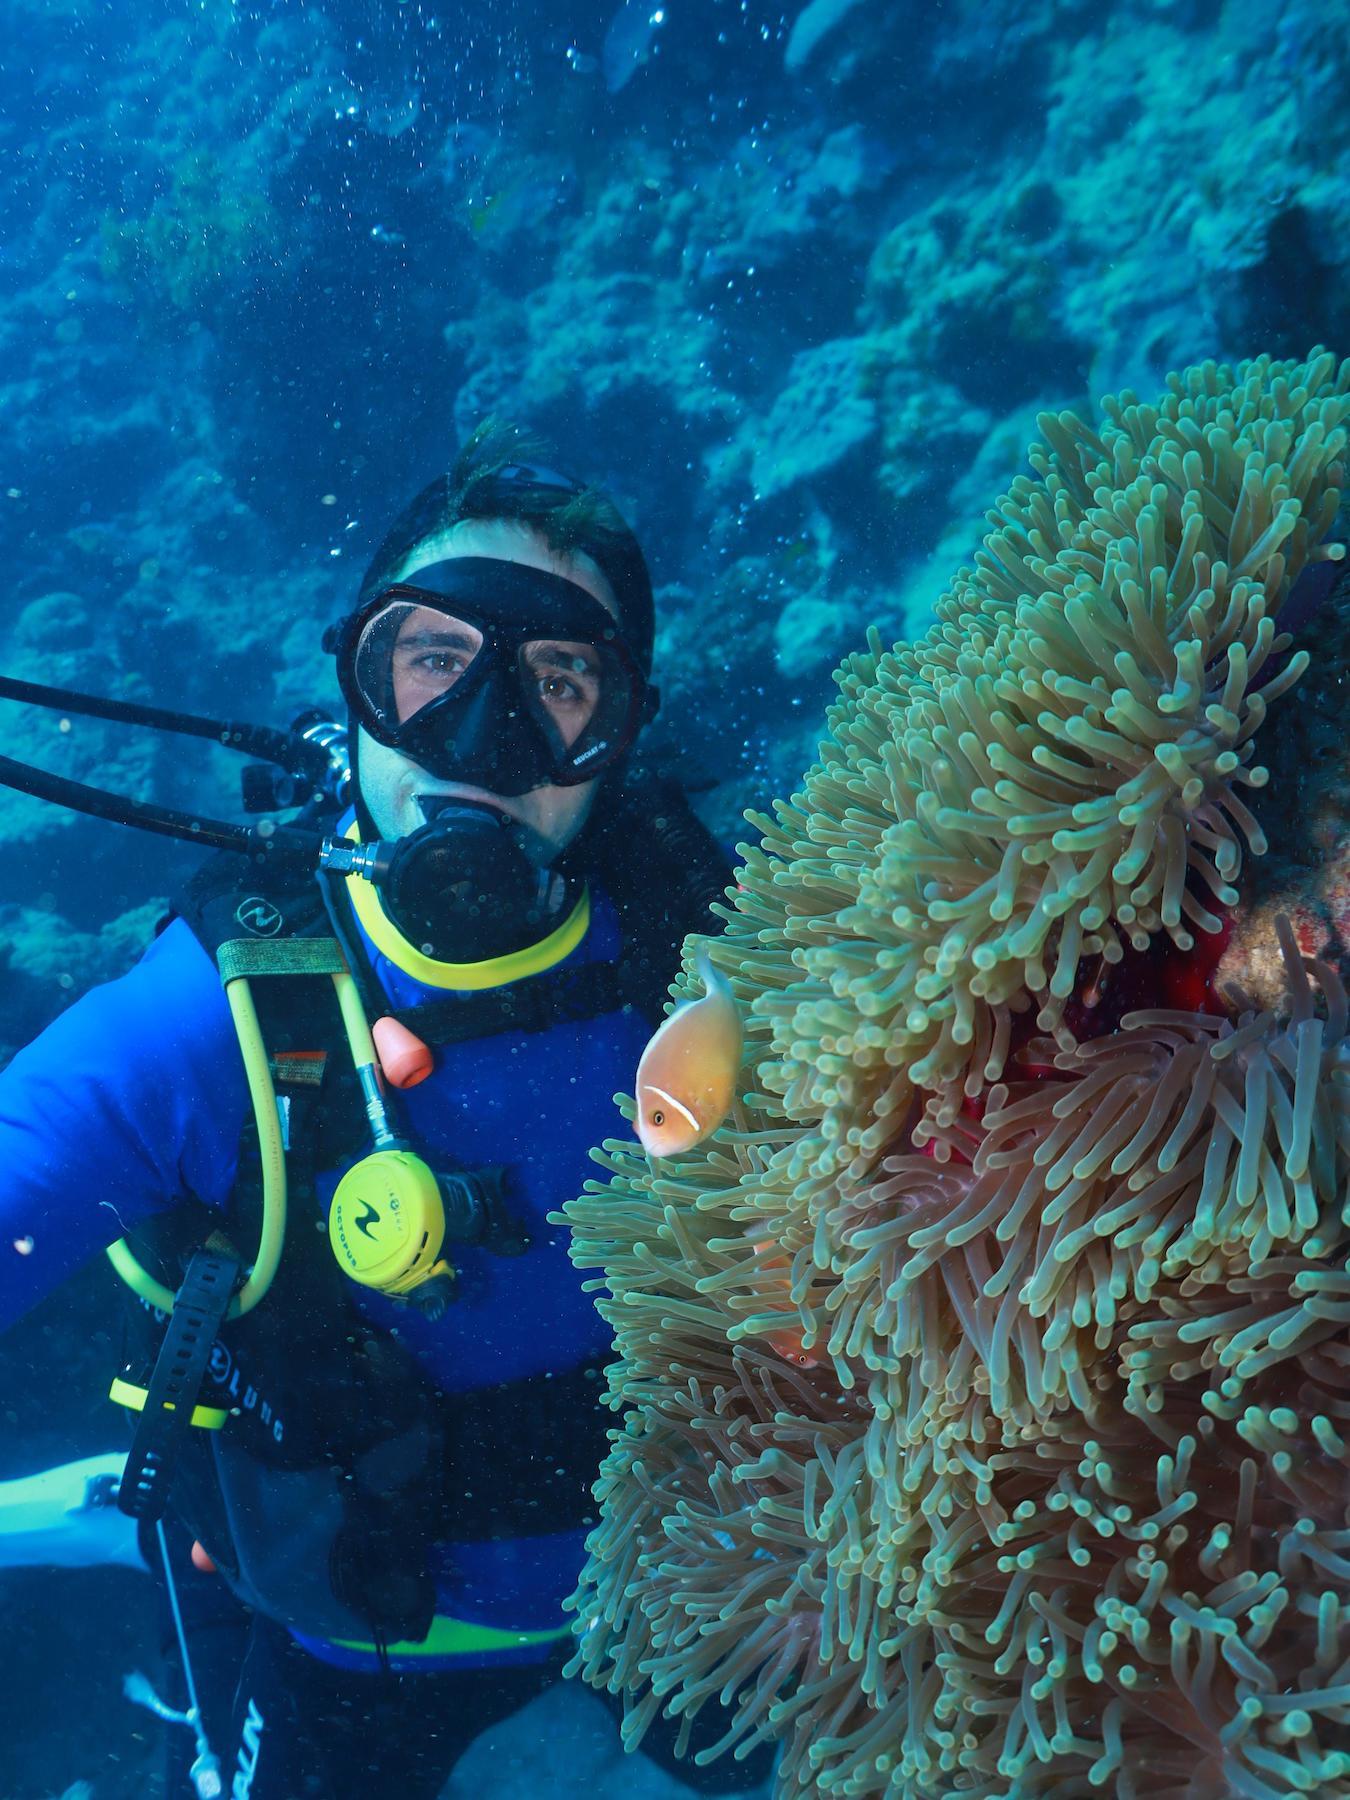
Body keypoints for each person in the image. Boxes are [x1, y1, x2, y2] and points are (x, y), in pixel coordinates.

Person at [0, 427, 773, 1798]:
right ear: (355, 684)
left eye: (555, 683)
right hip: (355, 1648)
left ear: (620, 734)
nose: (483, 745)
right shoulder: (213, 1018)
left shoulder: (723, 946)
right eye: (431, 665)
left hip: (701, 1608)